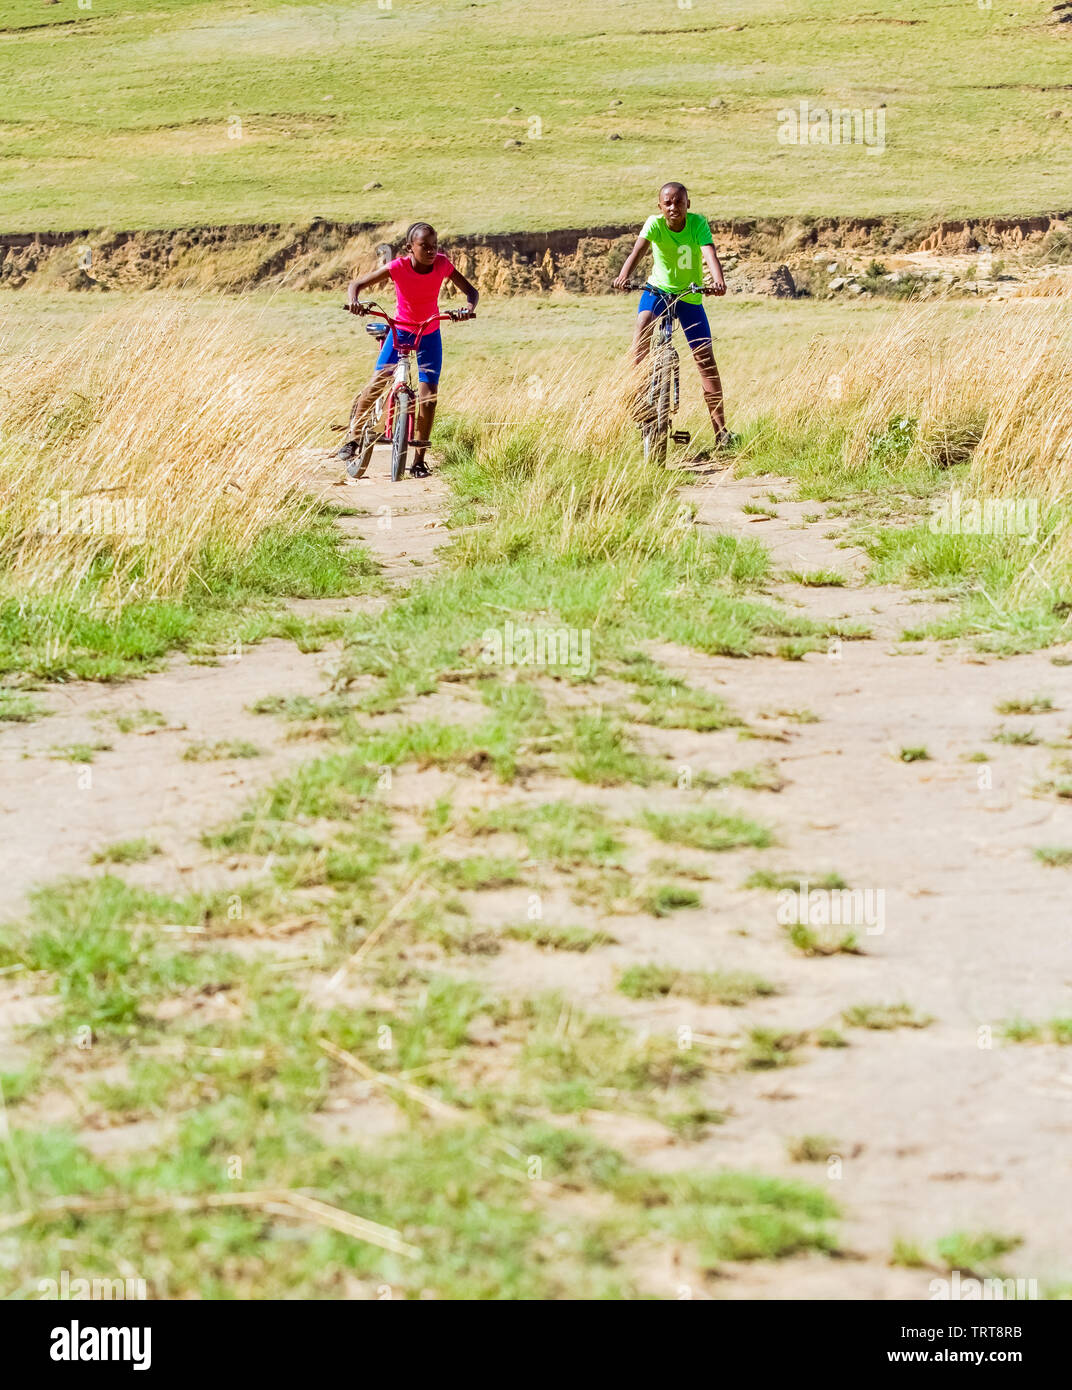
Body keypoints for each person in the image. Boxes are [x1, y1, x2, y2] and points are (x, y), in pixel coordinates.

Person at [337, 222, 479, 477]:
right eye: (424, 246)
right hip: (400, 329)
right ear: (409, 248)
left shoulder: (442, 265)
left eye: (434, 245)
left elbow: (471, 292)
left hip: (429, 332)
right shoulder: (398, 267)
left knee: (429, 395)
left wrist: (467, 309)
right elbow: (355, 285)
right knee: (378, 382)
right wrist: (354, 302)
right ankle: (354, 437)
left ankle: (419, 460)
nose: (431, 250)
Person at [612, 182, 733, 449]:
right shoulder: (654, 224)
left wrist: (718, 281)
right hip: (658, 290)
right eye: (667, 203)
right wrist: (623, 277)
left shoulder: (698, 224)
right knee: (642, 326)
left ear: (688, 204)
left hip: (689, 295)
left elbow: (709, 254)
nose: (673, 207)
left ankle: (721, 432)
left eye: (679, 202)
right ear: (660, 207)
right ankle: (637, 395)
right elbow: (638, 252)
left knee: (705, 359)